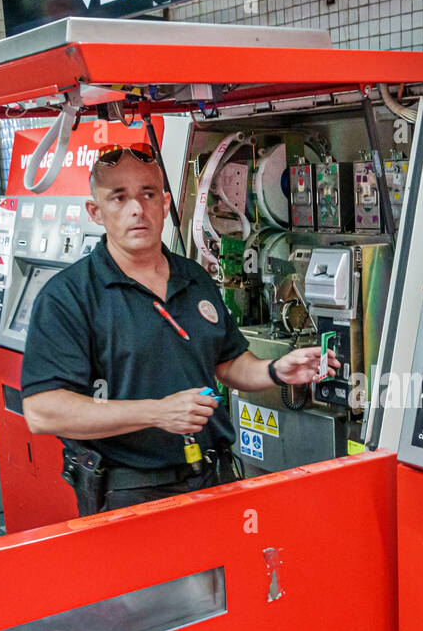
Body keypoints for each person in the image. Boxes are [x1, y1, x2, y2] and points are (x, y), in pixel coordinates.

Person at [21, 144, 336, 515]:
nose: (137, 209)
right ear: (96, 211)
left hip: (212, 479)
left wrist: (275, 370)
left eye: (147, 194)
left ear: (165, 203)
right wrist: (156, 413)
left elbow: (229, 362)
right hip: (129, 495)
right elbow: (43, 411)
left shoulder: (194, 278)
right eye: (119, 198)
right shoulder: (69, 296)